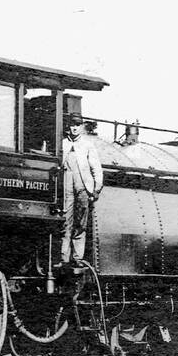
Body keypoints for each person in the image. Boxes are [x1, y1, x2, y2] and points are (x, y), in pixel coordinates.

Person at [60, 113, 104, 267]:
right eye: (72, 124)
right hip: (66, 185)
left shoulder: (88, 144)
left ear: (82, 126)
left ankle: (77, 257)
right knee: (66, 221)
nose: (74, 128)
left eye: (77, 125)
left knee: (81, 223)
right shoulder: (63, 143)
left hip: (83, 187)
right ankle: (63, 257)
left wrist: (96, 188)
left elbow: (96, 168)